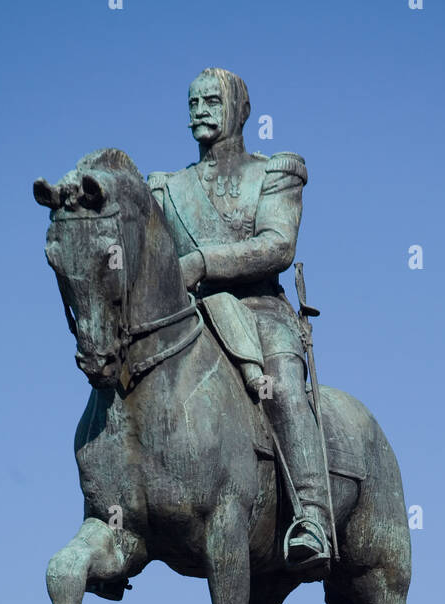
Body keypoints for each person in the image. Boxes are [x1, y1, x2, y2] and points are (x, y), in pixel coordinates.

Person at [148, 67, 332, 567]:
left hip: (259, 310)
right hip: (190, 317)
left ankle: (312, 515)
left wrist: (204, 261)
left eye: (211, 101)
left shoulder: (273, 172)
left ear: (238, 109)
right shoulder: (165, 189)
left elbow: (278, 245)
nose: (200, 111)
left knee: (285, 387)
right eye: (193, 103)